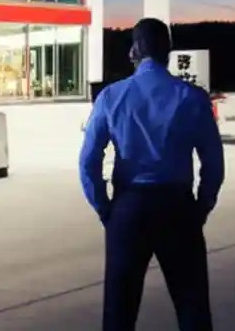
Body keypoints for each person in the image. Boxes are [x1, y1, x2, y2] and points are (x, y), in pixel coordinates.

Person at [79, 18, 225, 331]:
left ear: (134, 50)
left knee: (119, 312)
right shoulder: (192, 97)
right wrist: (201, 206)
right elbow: (213, 162)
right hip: (178, 207)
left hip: (129, 208)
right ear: (168, 51)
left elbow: (89, 161)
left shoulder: (111, 96)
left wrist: (106, 208)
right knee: (192, 307)